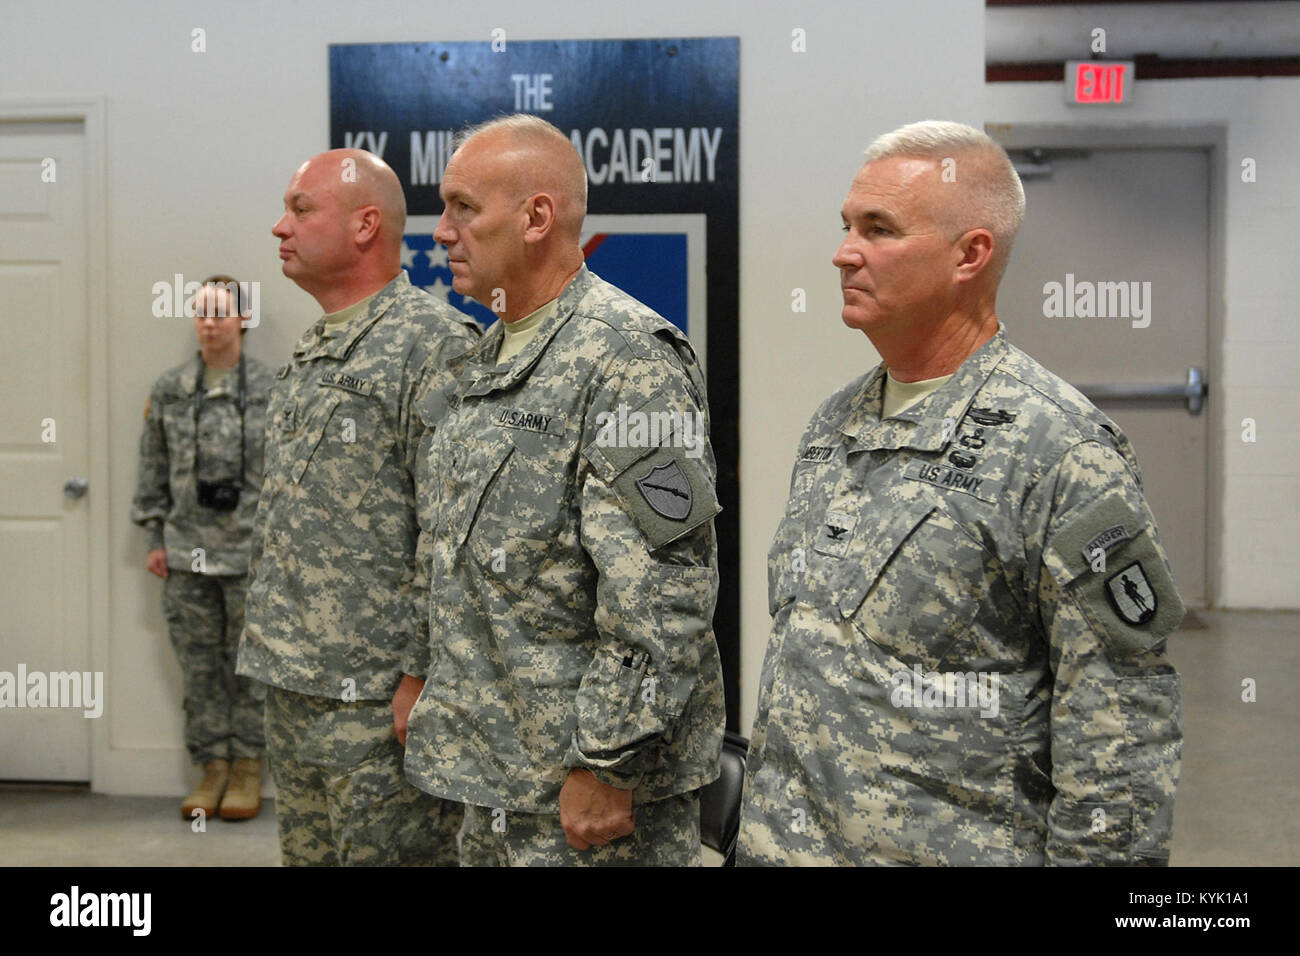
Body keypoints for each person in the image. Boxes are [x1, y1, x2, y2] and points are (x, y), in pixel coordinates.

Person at [737, 120, 1184, 866]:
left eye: (879, 229)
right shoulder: (835, 423)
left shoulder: (1060, 449)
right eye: (847, 226)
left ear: (969, 255)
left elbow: (1121, 723)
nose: (844, 252)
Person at [400, 114, 725, 866]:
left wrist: (609, 762)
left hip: (583, 795)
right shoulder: (485, 357)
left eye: (463, 208)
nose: (442, 232)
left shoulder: (629, 363)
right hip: (493, 772)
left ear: (537, 217)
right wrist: (420, 669)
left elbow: (665, 590)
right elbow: (445, 541)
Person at [236, 149, 479, 865]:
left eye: (301, 209)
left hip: (378, 700)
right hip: (294, 679)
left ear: (365, 224)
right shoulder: (316, 344)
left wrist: (420, 675)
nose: (280, 226)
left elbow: (451, 532)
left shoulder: (434, 346)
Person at [132, 275, 273, 820]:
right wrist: (155, 536)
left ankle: (247, 770)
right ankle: (212, 767)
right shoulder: (171, 389)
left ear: (243, 319)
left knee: (250, 668)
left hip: (251, 553)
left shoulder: (271, 387)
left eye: (219, 313)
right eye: (200, 313)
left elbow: (287, 472)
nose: (209, 323)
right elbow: (154, 466)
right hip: (186, 549)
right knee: (199, 667)